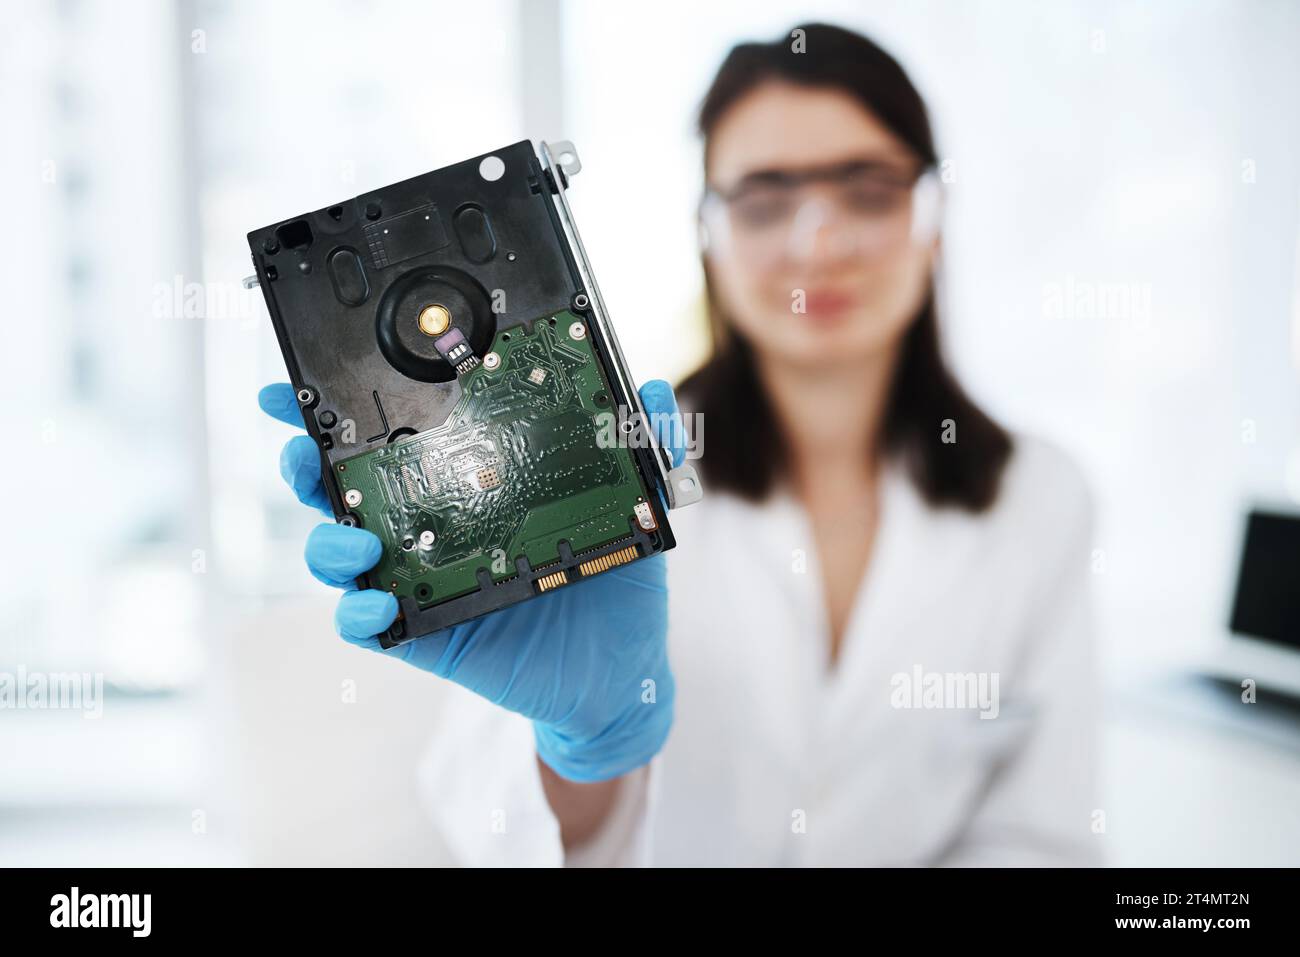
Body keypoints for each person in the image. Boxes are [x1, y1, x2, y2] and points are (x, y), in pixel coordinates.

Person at [259, 22, 1099, 866]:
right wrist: (585, 741)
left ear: (932, 214)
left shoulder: (1042, 498)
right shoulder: (600, 460)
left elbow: (1041, 837)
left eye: (868, 189)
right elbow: (495, 828)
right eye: (765, 200)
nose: (818, 242)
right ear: (708, 232)